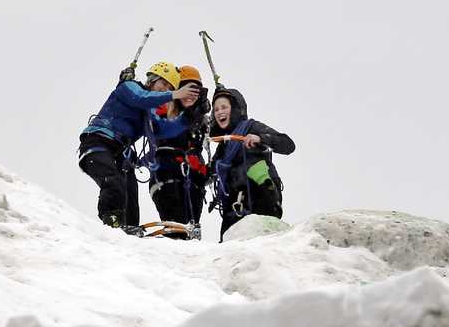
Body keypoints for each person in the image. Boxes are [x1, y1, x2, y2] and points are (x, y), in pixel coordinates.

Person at [78, 62, 201, 231]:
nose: (165, 89)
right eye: (163, 84)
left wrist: (188, 118)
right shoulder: (129, 87)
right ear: (153, 79)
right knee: (113, 181)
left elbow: (162, 129)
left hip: (119, 152)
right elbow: (140, 98)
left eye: (169, 87)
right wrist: (175, 94)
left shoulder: (148, 112)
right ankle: (113, 221)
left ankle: (130, 227)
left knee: (129, 190)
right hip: (98, 142)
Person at [207, 87, 295, 241]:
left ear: (235, 109)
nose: (220, 112)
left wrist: (261, 138)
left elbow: (288, 144)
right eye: (216, 109)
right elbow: (209, 173)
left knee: (264, 243)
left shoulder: (252, 127)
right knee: (228, 248)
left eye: (224, 107)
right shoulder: (223, 146)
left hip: (261, 194)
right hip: (234, 205)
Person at [149, 65, 210, 238]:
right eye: (185, 88)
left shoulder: (201, 120)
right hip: (166, 174)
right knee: (177, 230)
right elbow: (147, 104)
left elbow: (222, 132)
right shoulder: (164, 111)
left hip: (193, 179)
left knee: (191, 231)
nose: (190, 94)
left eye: (195, 90)